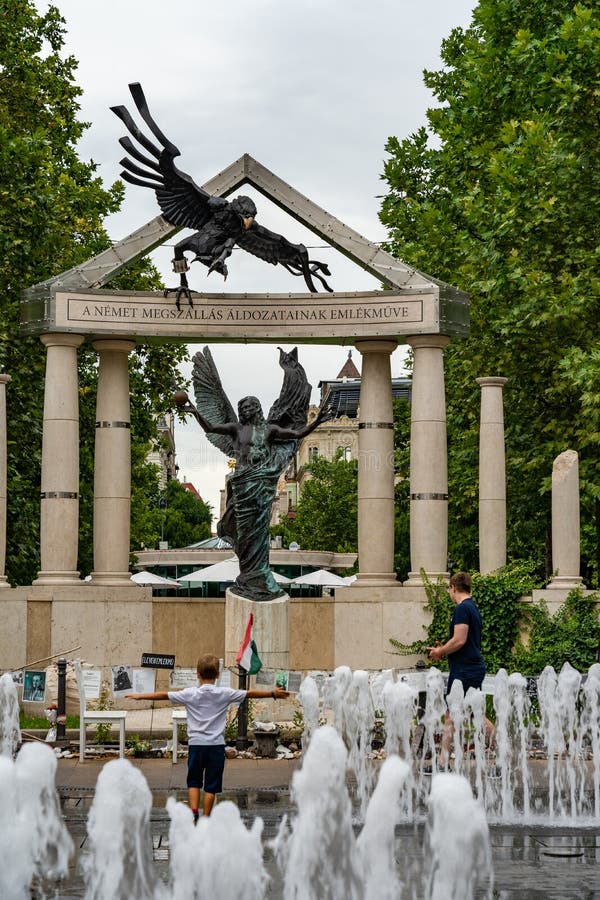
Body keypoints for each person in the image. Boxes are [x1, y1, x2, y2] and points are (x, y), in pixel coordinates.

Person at [126, 654, 289, 820]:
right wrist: (272, 693)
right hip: (216, 746)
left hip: (196, 746)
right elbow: (249, 693)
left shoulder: (189, 693)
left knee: (194, 781)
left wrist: (141, 696)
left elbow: (164, 695)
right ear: (218, 675)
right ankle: (206, 817)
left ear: (198, 674)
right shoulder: (225, 693)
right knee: (211, 786)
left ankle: (194, 813)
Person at [427, 571, 494, 768]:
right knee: (474, 713)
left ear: (453, 588)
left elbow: (460, 639)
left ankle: (442, 762)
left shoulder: (462, 609)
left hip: (465, 669)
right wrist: (445, 648)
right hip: (469, 667)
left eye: (449, 590)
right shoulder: (472, 607)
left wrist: (440, 651)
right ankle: (503, 751)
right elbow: (462, 641)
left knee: (452, 714)